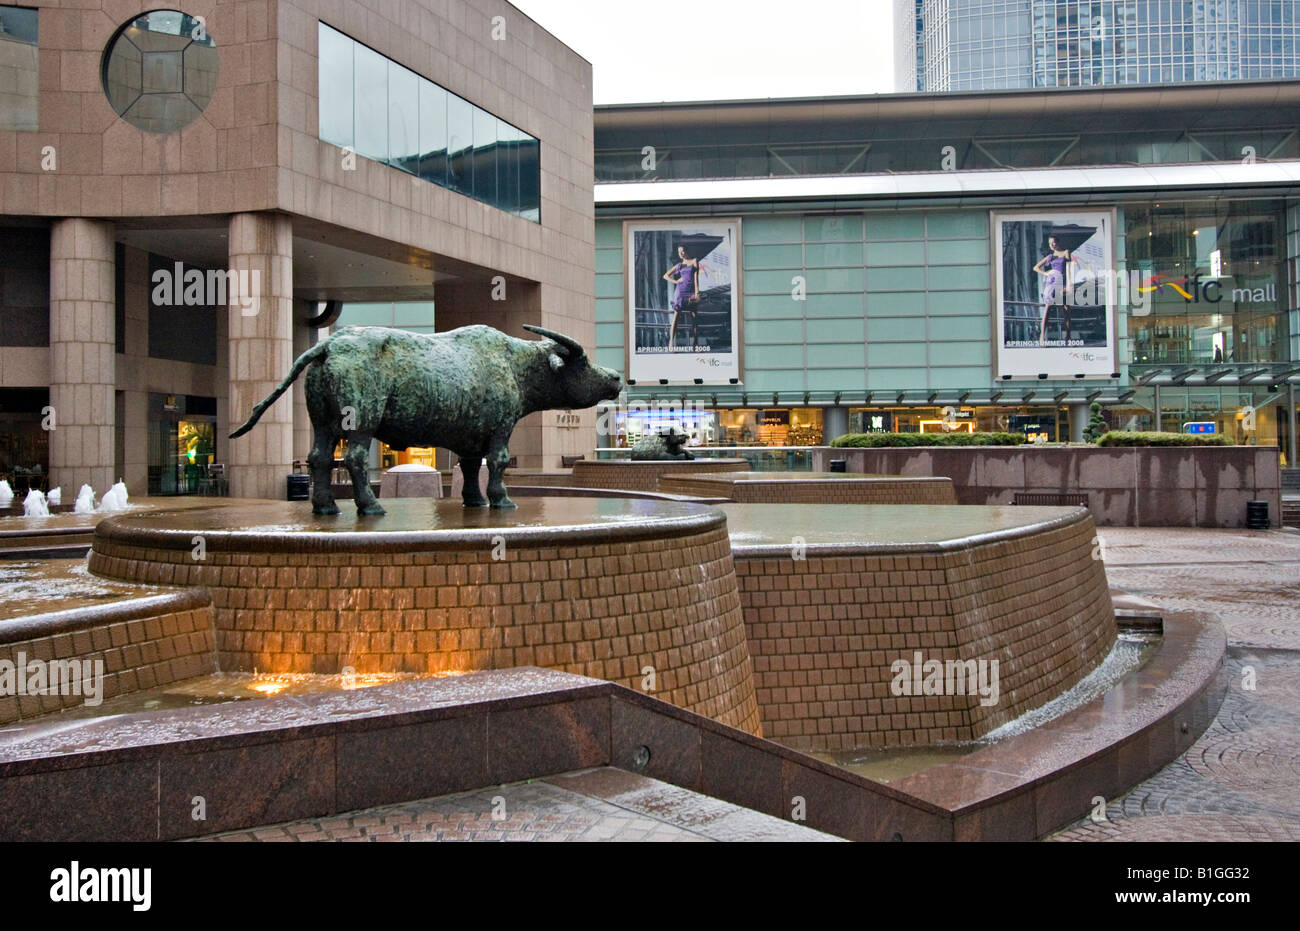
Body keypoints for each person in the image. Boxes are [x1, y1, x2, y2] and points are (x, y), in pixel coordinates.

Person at [1033, 235, 1076, 346]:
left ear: (1058, 242)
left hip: (1063, 284)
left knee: (1067, 311)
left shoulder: (1066, 252)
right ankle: (1042, 337)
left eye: (1053, 243)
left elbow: (1068, 269)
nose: (1052, 245)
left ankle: (1068, 337)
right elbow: (1036, 267)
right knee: (1048, 310)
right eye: (1050, 243)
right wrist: (1046, 273)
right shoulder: (1050, 256)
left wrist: (1069, 284)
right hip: (1052, 284)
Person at [663, 244, 701, 349]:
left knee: (695, 318)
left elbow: (696, 278)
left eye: (682, 251)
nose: (681, 254)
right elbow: (665, 275)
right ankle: (671, 343)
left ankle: (696, 344)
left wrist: (697, 292)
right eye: (679, 252)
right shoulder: (679, 265)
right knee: (676, 316)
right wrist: (675, 281)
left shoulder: (694, 261)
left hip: (691, 292)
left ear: (686, 251)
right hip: (680, 291)